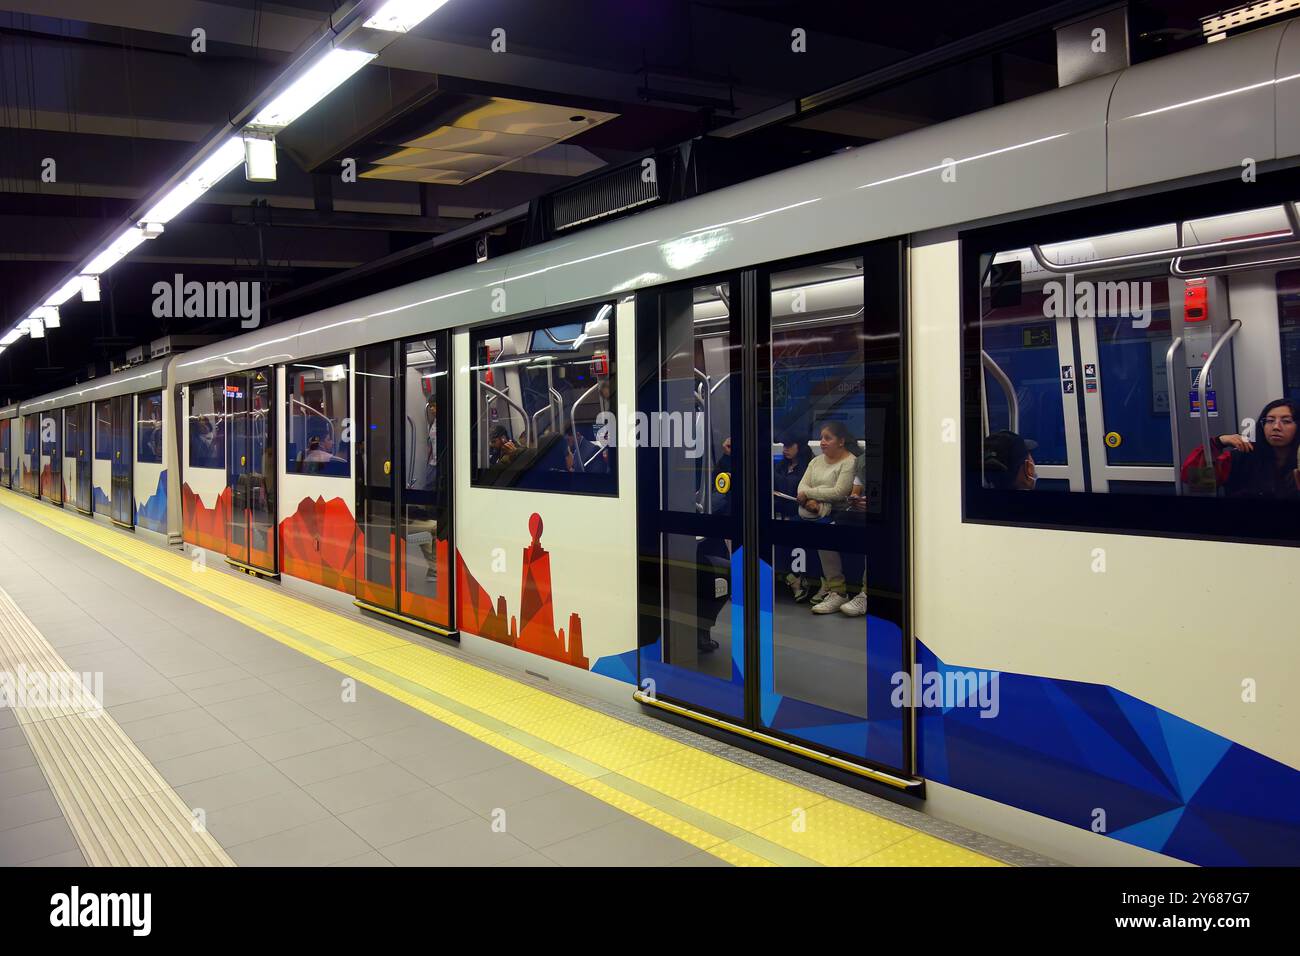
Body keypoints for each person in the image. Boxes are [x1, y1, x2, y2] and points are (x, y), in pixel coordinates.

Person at [797, 422, 860, 613]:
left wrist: (812, 494)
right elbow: (801, 488)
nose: (822, 442)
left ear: (841, 441)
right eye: (821, 437)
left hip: (837, 513)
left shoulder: (850, 461)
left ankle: (838, 592)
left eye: (827, 438)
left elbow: (840, 492)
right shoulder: (816, 461)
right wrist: (810, 501)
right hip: (810, 511)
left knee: (825, 534)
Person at [1209, 398, 1300, 499]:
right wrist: (1219, 441)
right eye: (1270, 421)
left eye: (1286, 421)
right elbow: (1197, 481)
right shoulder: (1244, 455)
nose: (1276, 427)